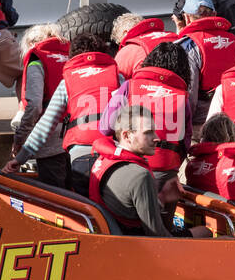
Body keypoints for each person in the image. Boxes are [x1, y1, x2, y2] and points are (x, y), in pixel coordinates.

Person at [4, 32, 119, 189]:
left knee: (80, 205)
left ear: (73, 57)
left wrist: (20, 157)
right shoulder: (118, 77)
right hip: (113, 151)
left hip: (82, 154)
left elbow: (46, 123)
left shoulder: (67, 81)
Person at [89, 103, 209, 238]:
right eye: (148, 132)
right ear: (127, 136)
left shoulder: (103, 160)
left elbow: (127, 208)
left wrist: (162, 198)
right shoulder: (139, 175)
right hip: (134, 248)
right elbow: (158, 238)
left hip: (111, 239)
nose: (157, 138)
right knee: (206, 232)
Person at [99, 39, 194, 184]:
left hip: (130, 165)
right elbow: (185, 142)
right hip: (166, 171)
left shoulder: (129, 86)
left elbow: (106, 128)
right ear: (183, 70)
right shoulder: (182, 96)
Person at [13, 23, 70, 188]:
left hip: (48, 135)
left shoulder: (36, 61)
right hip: (74, 131)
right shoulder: (71, 56)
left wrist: (20, 138)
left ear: (30, 43)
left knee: (56, 194)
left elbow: (35, 106)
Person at [173, 0, 235, 127]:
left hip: (204, 119)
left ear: (186, 17)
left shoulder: (190, 45)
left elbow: (191, 90)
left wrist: (186, 125)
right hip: (233, 112)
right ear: (214, 15)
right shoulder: (233, 39)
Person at [182, 112, 235, 195]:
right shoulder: (232, 168)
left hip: (196, 206)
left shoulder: (191, 166)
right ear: (231, 137)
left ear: (204, 135)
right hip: (221, 206)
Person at [115, 15, 179, 77]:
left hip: (149, 85)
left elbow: (117, 81)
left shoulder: (129, 49)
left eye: (119, 41)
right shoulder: (173, 37)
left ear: (125, 33)